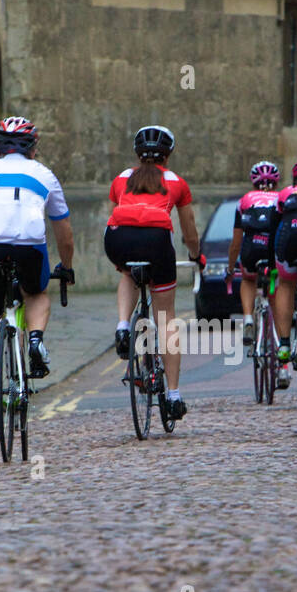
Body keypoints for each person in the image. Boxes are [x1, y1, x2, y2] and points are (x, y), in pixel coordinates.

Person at [0, 116, 74, 441]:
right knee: (37, 294)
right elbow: (63, 233)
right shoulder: (45, 175)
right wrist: (66, 266)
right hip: (29, 249)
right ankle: (35, 339)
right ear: (33, 149)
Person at [103, 124, 202, 421]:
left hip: (118, 237)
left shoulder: (121, 178)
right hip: (156, 241)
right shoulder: (177, 182)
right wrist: (196, 256)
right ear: (168, 155)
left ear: (137, 154)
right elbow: (189, 231)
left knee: (127, 273)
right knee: (166, 317)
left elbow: (114, 213)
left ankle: (122, 325)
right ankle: (173, 395)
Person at [227, 161, 281, 351]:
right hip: (273, 250)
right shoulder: (281, 198)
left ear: (253, 182)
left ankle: (248, 317)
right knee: (275, 278)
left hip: (252, 248)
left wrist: (231, 267)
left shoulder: (245, 200)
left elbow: (236, 242)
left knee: (248, 279)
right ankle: (280, 335)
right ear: (276, 182)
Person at [271, 159, 297, 388]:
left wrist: (270, 262)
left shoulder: (285, 193)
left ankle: (284, 344)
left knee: (285, 284)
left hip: (288, 242)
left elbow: (274, 229)